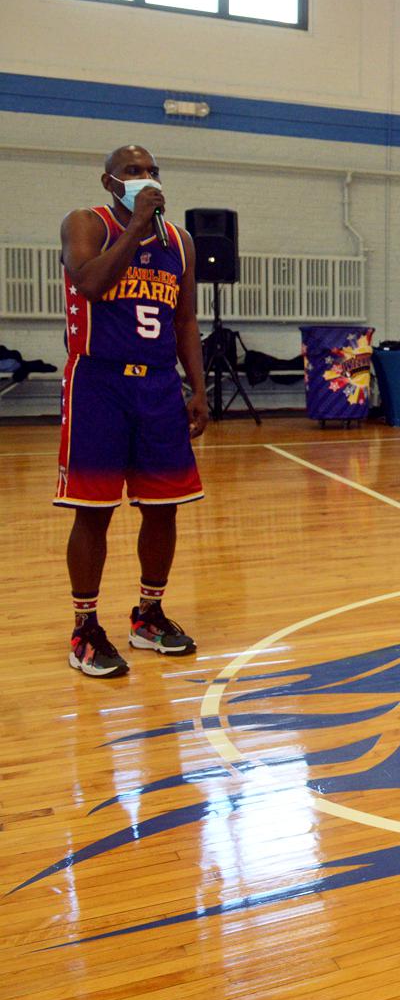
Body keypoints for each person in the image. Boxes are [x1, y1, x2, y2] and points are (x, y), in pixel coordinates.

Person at [56, 144, 208, 677]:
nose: (147, 178)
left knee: (164, 506)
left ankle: (148, 613)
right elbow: (91, 282)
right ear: (109, 182)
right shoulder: (86, 222)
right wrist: (136, 227)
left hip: (159, 387)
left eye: (152, 171)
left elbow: (185, 321)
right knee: (93, 511)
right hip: (98, 381)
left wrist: (198, 388)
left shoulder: (180, 242)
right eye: (133, 171)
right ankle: (85, 627)